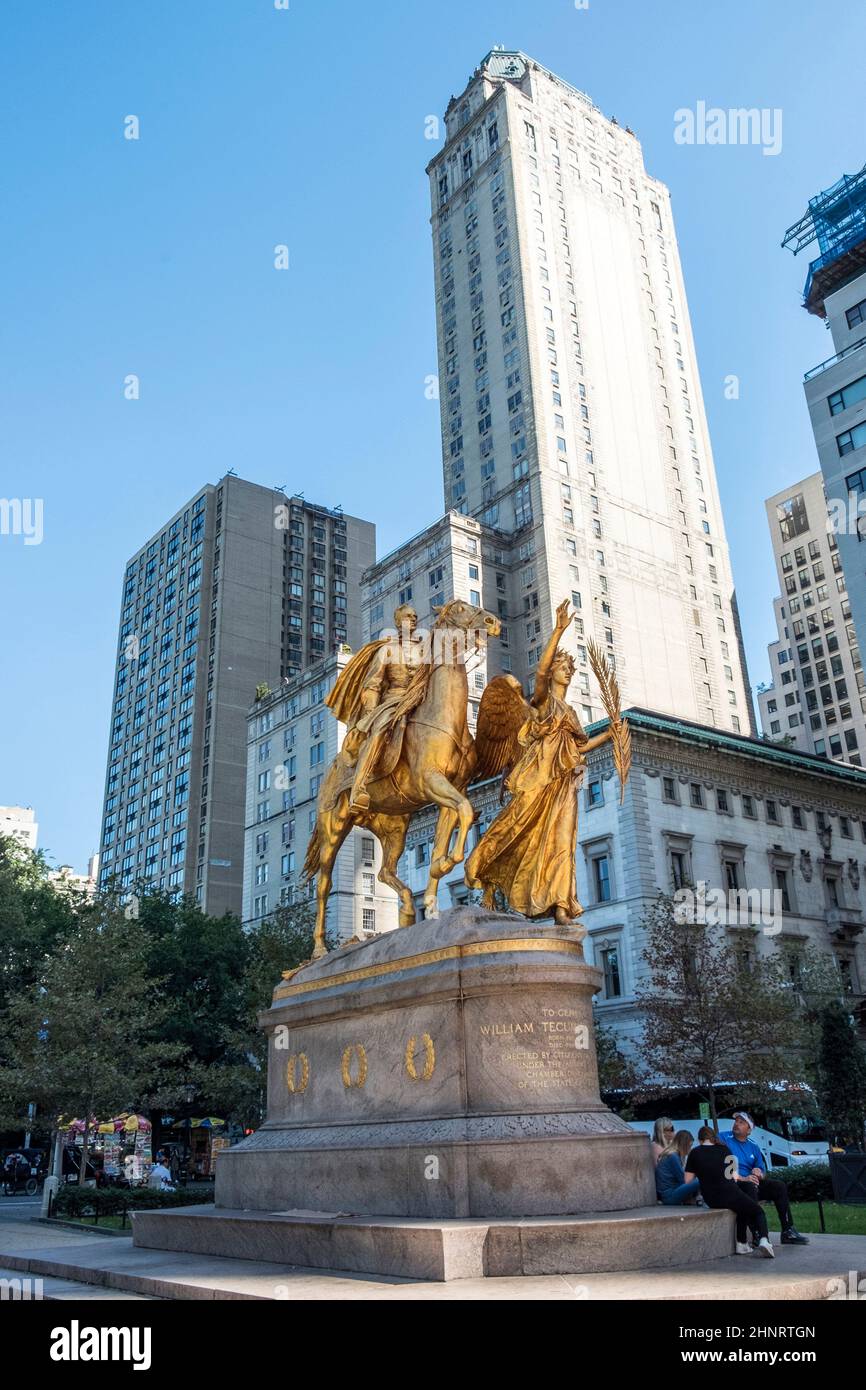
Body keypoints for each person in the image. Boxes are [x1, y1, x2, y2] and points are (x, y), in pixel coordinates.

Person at [465, 600, 614, 924]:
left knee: (562, 842)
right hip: (537, 782)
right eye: (565, 667)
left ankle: (562, 904)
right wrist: (559, 630)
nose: (569, 671)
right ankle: (487, 872)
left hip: (562, 786)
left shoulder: (571, 714)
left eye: (571, 669)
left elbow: (582, 745)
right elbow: (541, 672)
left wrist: (610, 735)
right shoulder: (543, 702)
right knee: (512, 829)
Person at [719, 1112, 809, 1246]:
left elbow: (762, 1170)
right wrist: (744, 1178)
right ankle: (757, 1233)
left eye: (741, 1122)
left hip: (750, 1182)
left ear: (749, 1130)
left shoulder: (753, 1146)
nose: (736, 1124)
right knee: (751, 1187)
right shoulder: (723, 1138)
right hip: (734, 1183)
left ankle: (787, 1230)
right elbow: (720, 1163)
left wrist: (759, 1172)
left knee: (779, 1186)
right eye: (736, 1121)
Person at [685, 1126, 774, 1258]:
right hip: (729, 1192)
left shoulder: (694, 1153)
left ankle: (742, 1244)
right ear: (714, 1138)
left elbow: (688, 1180)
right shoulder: (725, 1149)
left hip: (711, 1199)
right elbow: (734, 1177)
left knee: (742, 1207)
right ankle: (764, 1241)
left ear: (700, 1140)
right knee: (758, 1211)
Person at [655, 1130, 701, 1205]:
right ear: (684, 1145)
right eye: (689, 1146)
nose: (690, 1149)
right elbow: (683, 1180)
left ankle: (693, 1199)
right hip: (669, 1196)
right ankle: (696, 1198)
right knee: (700, 1180)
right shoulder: (673, 1156)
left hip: (671, 1191)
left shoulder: (674, 1155)